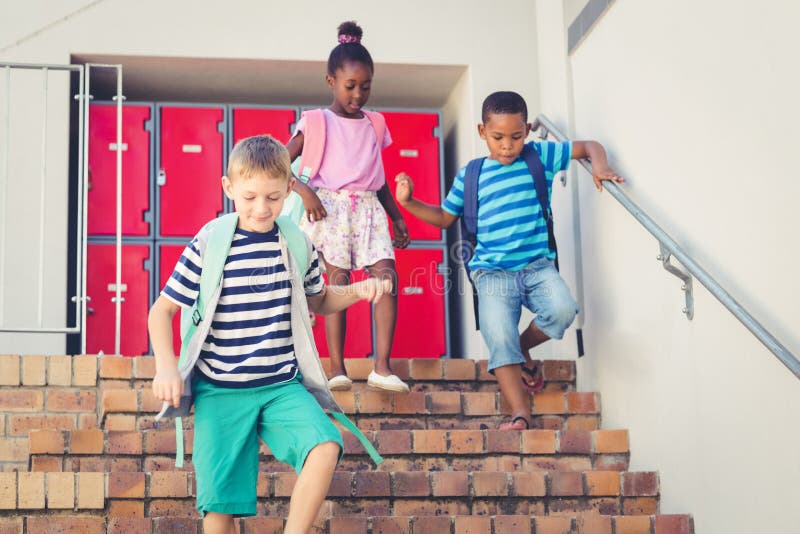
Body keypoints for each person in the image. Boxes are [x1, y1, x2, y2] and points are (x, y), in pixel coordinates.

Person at [148, 135, 391, 533]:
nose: (261, 208)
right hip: (221, 389)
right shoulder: (209, 243)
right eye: (249, 197)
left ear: (290, 189)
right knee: (219, 508)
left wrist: (359, 291)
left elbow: (321, 300)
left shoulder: (297, 243)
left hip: (281, 386)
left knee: (326, 445)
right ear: (228, 188)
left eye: (273, 198)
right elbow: (162, 311)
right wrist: (166, 367)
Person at [395, 91, 624, 430]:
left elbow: (588, 146)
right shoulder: (470, 175)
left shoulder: (539, 156)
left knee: (562, 310)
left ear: (528, 130)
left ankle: (518, 348)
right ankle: (520, 413)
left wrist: (599, 166)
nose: (507, 145)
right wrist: (409, 202)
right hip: (491, 274)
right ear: (481, 131)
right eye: (498, 137)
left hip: (537, 267)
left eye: (516, 136)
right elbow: (445, 217)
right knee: (497, 334)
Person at [286, 20, 410, 393]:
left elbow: (378, 175)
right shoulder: (316, 121)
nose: (358, 94)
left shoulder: (375, 123)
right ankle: (336, 368)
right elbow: (276, 162)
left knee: (386, 280)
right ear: (331, 82)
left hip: (370, 209)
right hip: (330, 210)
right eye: (350, 86)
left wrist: (397, 215)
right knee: (337, 284)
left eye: (366, 86)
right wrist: (304, 192)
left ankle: (382, 367)